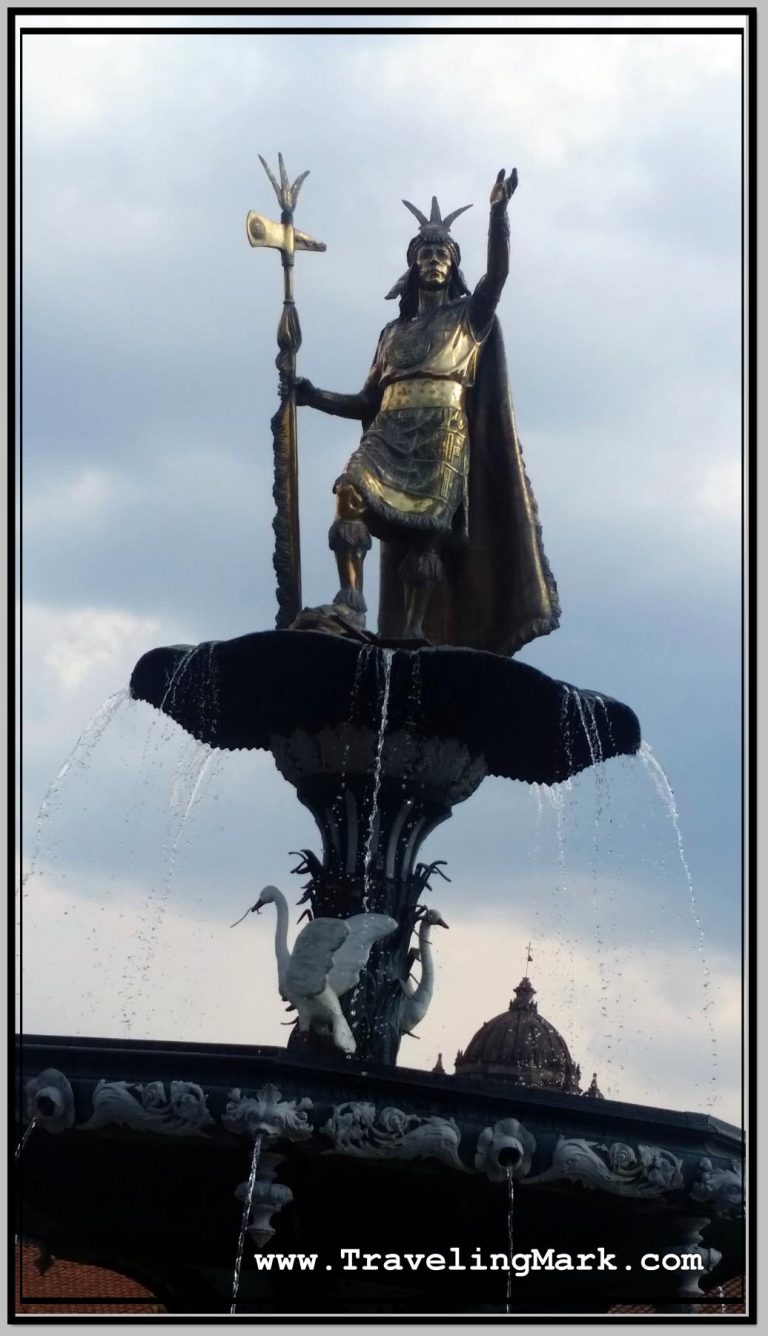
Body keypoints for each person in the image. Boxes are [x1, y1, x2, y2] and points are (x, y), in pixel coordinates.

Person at [294, 169, 560, 655]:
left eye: (442, 254)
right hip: (390, 432)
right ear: (413, 266)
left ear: (452, 266)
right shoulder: (391, 335)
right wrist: (314, 396)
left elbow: (497, 275)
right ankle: (349, 601)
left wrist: (498, 214)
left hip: (443, 435)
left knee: (425, 536)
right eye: (425, 253)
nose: (433, 260)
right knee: (350, 490)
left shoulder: (469, 318)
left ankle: (414, 631)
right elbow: (366, 403)